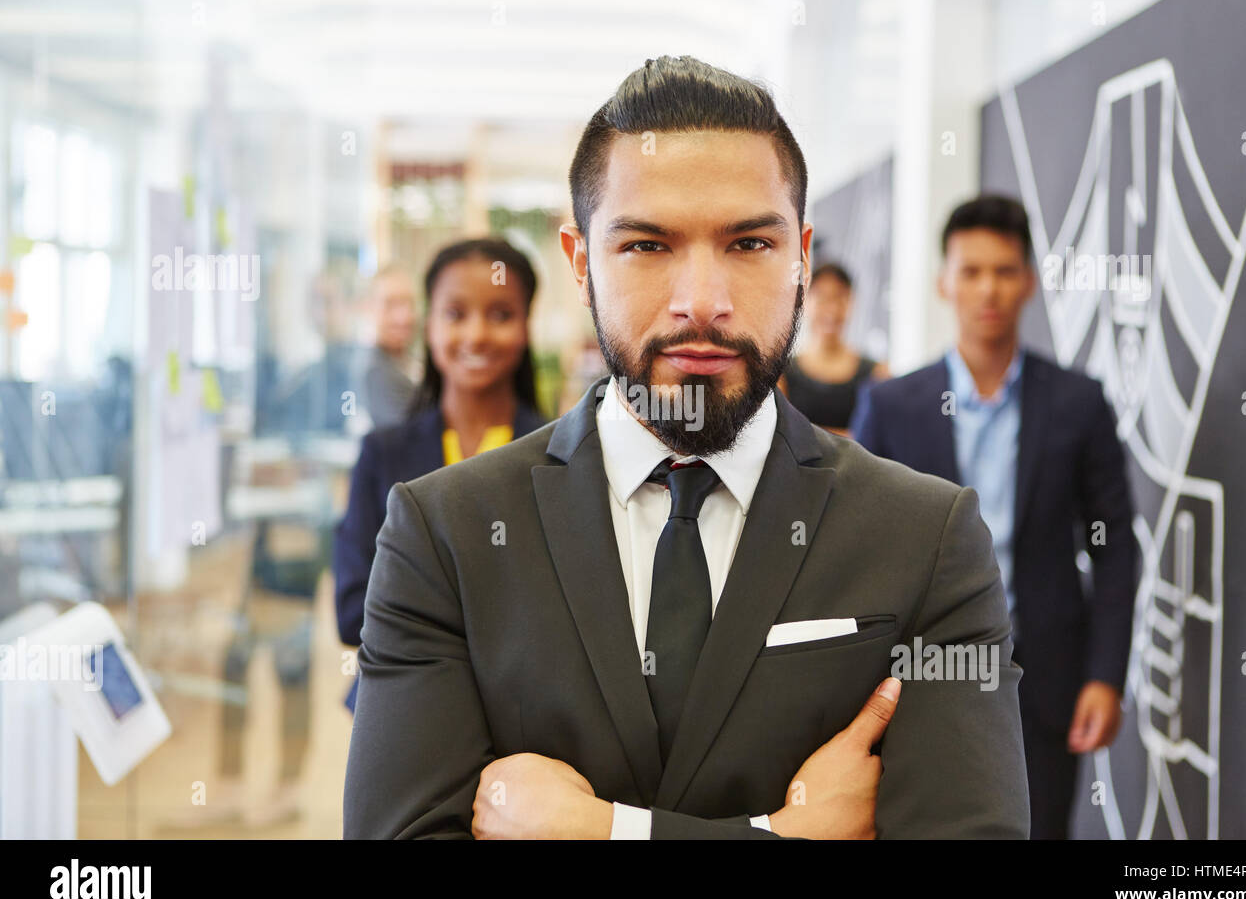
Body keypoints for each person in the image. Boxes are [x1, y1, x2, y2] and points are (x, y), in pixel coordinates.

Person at [344, 56, 1029, 839]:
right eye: (646, 246)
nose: (702, 302)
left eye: (748, 245)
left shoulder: (928, 539)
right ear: (581, 263)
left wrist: (602, 832)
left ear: (800, 257)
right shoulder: (443, 535)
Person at [849, 194, 1138, 839]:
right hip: (921, 675)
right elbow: (856, 547)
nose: (989, 289)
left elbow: (1115, 543)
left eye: (1005, 271)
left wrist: (1104, 674)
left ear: (1029, 282)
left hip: (1048, 677)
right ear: (943, 283)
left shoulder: (1077, 402)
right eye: (971, 271)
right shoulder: (893, 406)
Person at [333, 238, 549, 713]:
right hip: (402, 712)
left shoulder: (561, 456)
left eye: (500, 314)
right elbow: (353, 613)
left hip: (527, 722)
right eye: (455, 314)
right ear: (428, 325)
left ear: (526, 326)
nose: (476, 335)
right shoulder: (382, 455)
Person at [777, 263, 888, 434]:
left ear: (851, 303)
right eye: (821, 297)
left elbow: (882, 436)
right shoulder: (781, 372)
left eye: (839, 297)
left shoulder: (877, 373)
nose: (831, 308)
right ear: (804, 301)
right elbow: (780, 433)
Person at [358, 265, 418, 429]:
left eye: (409, 303)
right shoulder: (375, 372)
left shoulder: (411, 361)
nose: (403, 317)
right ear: (368, 307)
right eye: (390, 304)